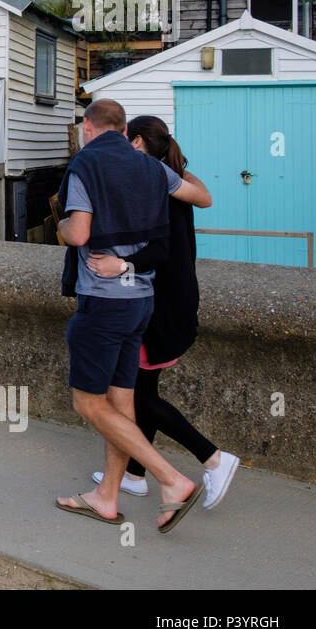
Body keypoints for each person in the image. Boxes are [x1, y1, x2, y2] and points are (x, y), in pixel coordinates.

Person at [54, 98, 211, 533]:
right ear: (124, 131)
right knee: (122, 402)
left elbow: (79, 232)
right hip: (141, 299)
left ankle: (171, 479)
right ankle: (107, 497)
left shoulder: (84, 165)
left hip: (103, 302)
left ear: (88, 127)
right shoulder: (152, 168)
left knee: (88, 402)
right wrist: (182, 164)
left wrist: (61, 227)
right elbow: (199, 196)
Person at [87, 115, 239, 510]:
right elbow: (204, 197)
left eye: (124, 142)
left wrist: (118, 265)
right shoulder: (174, 180)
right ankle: (135, 475)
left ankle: (214, 458)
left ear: (136, 143)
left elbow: (160, 251)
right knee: (144, 390)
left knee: (137, 394)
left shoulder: (154, 184)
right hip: (179, 300)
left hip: (159, 305)